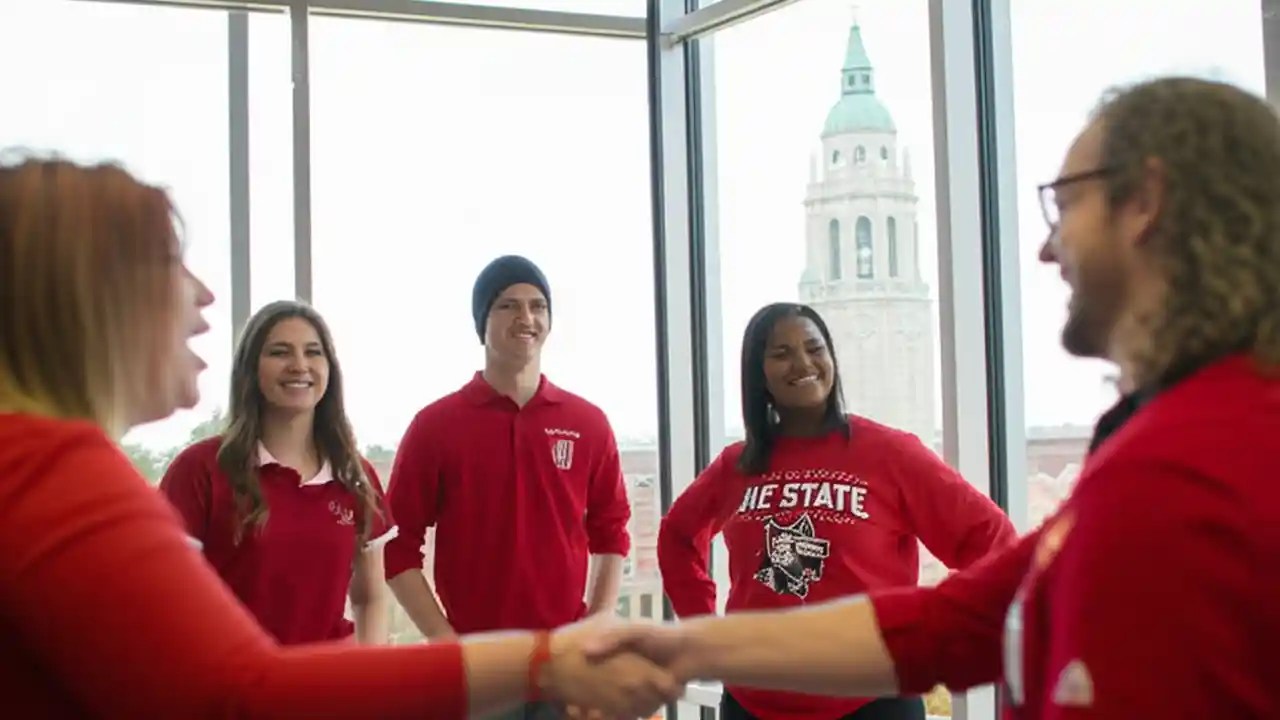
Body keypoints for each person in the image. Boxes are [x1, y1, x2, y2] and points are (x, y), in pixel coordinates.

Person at [584, 76, 1280, 719]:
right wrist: (693, 648)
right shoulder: (1154, 438)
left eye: (1065, 203)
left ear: (1144, 204)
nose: (1045, 248)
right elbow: (962, 620)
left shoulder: (1196, 460)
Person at [0, 155, 681, 718]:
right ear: (79, 296)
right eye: (169, 263)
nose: (204, 294)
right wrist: (540, 661)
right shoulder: (49, 476)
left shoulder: (44, 465)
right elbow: (241, 689)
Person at [659, 302, 1017, 720]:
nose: (803, 363)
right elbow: (678, 537)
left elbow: (993, 541)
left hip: (871, 701)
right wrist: (705, 631)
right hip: (754, 704)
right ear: (758, 375)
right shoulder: (737, 465)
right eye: (781, 353)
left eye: (815, 348)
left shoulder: (891, 454)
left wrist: (942, 636)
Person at [385, 255, 631, 717]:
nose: (527, 318)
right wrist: (448, 647)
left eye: (538, 306)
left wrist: (593, 628)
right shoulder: (436, 426)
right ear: (482, 321)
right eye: (508, 305)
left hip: (564, 669)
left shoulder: (588, 423)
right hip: (480, 672)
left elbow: (612, 531)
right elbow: (397, 549)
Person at [160, 300, 395, 645]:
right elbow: (170, 598)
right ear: (251, 369)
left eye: (314, 352)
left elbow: (369, 597)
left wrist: (370, 675)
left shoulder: (355, 475)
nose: (299, 366)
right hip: (235, 684)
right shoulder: (200, 469)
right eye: (280, 352)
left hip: (330, 684)